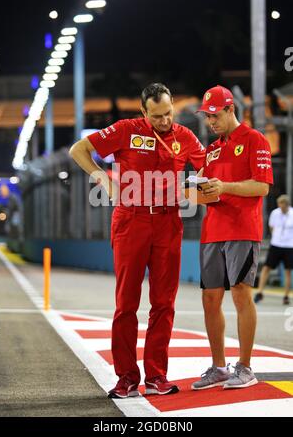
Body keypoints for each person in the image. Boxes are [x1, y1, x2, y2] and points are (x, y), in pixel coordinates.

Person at [69, 83, 206, 398]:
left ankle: (157, 375)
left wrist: (203, 185)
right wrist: (101, 177)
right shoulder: (126, 130)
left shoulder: (185, 136)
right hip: (131, 221)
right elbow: (79, 149)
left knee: (163, 303)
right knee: (126, 304)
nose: (164, 120)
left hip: (169, 222)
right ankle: (127, 377)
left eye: (168, 113)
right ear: (143, 112)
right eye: (156, 115)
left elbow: (207, 167)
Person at [191, 85, 273, 391]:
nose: (211, 121)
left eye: (215, 115)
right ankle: (218, 367)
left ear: (230, 110)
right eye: (207, 116)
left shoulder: (255, 140)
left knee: (240, 292)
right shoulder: (211, 149)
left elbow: (262, 187)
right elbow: (208, 190)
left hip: (242, 228)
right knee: (209, 298)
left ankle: (245, 367)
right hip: (213, 230)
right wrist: (194, 191)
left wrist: (224, 187)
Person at [254, 194, 293, 305]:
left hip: (289, 246)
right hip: (276, 244)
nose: (281, 207)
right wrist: (276, 237)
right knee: (266, 268)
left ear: (287, 204)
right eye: (279, 205)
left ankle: (286, 295)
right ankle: (260, 292)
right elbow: (271, 227)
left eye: (283, 205)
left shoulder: (292, 214)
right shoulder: (275, 213)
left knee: (288, 271)